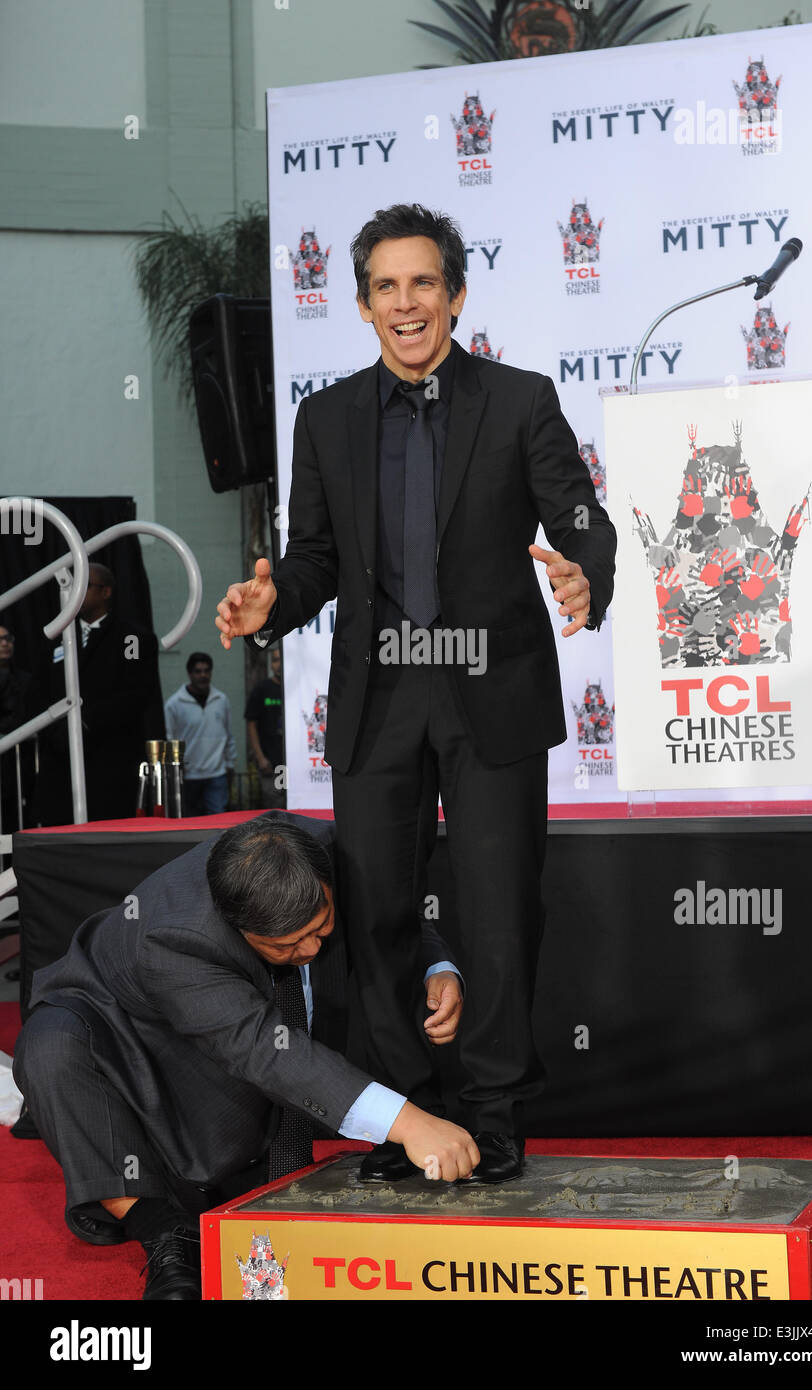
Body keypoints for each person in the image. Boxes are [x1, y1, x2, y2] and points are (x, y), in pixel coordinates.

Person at [216, 203, 616, 1184]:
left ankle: (492, 1105)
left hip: (493, 689)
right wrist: (270, 603)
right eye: (386, 287)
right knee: (377, 906)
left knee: (495, 909)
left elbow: (580, 516)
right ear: (360, 304)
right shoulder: (327, 417)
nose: (406, 303)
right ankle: (406, 1113)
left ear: (455, 294)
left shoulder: (518, 399)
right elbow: (309, 561)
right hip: (376, 692)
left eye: (423, 283)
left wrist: (584, 572)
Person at [13, 812, 477, 1299]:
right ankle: (164, 1235)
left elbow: (391, 909)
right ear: (236, 927)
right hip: (119, 1032)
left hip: (220, 1035)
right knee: (50, 1047)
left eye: (321, 927)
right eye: (287, 944)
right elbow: (264, 1051)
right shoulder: (173, 940)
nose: (313, 949)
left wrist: (435, 964)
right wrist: (409, 1123)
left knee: (235, 1163)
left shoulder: (332, 850)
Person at [36, 563, 164, 824]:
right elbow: (39, 690)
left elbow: (136, 695)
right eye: (74, 586)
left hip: (109, 761)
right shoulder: (55, 635)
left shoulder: (133, 638)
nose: (76, 593)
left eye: (86, 586)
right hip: (60, 763)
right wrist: (55, 729)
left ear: (106, 592)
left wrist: (85, 721)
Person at [164, 652, 235, 815]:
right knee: (190, 825)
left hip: (217, 775)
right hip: (188, 777)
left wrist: (230, 764)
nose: (203, 675)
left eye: (206, 671)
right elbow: (169, 739)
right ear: (190, 673)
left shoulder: (221, 700)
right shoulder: (174, 704)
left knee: (218, 824)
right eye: (198, 671)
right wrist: (175, 772)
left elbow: (228, 736)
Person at [0, 622, 35, 834]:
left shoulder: (24, 680)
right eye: (0, 639)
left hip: (18, 763)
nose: (5, 644)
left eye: (8, 639)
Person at [244, 647, 285, 809]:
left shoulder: (296, 688)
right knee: (275, 808)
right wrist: (260, 757)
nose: (279, 664)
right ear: (271, 665)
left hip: (293, 764)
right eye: (275, 660)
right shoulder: (262, 689)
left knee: (296, 809)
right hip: (271, 763)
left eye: (281, 659)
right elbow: (251, 724)